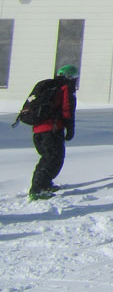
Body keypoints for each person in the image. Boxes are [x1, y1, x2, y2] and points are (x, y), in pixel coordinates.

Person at [29, 64, 78, 200]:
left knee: (47, 157)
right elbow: (67, 109)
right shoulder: (65, 88)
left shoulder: (47, 85)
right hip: (52, 129)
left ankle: (44, 184)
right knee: (53, 159)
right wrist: (70, 128)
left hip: (37, 129)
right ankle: (37, 189)